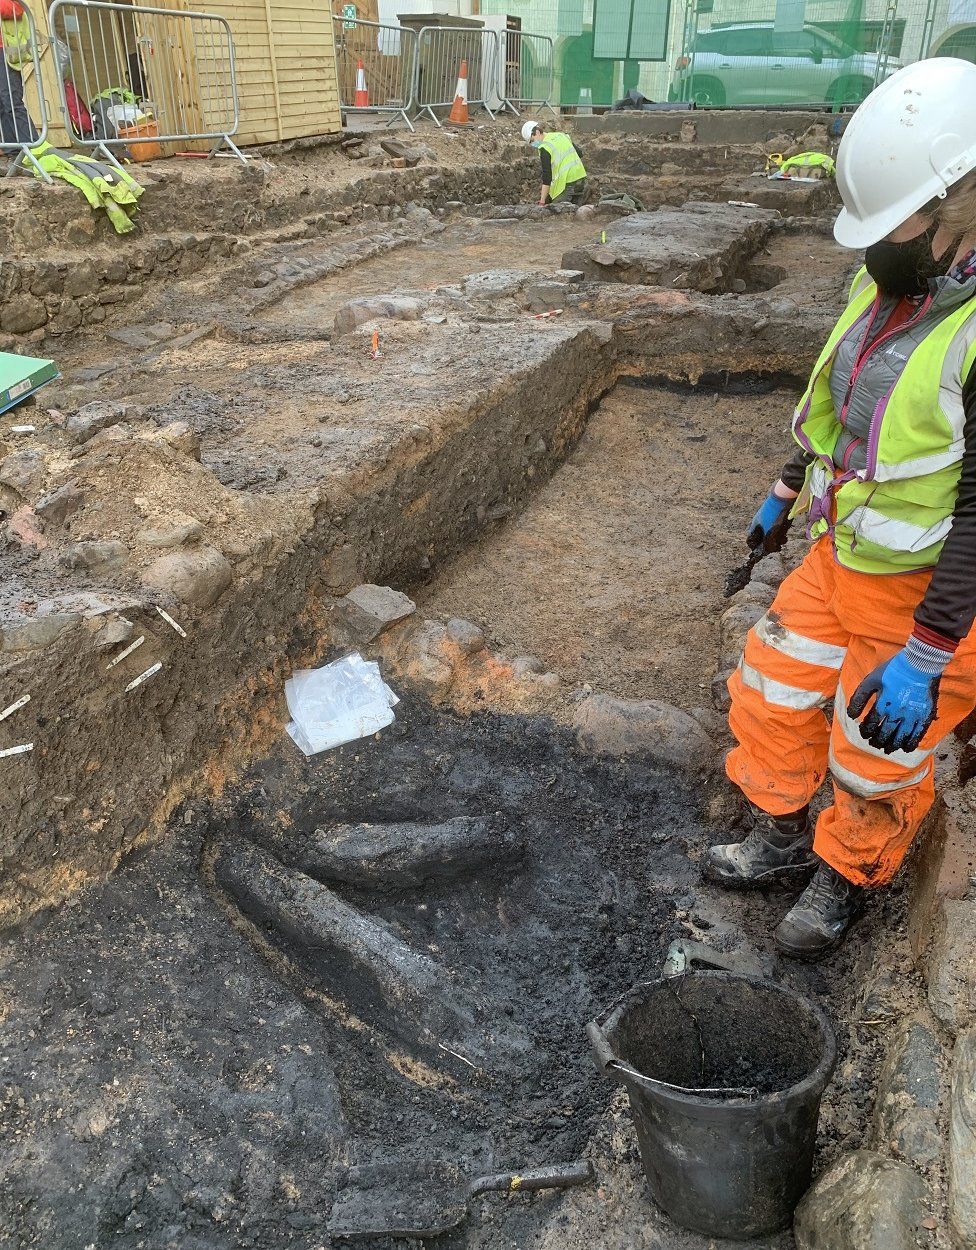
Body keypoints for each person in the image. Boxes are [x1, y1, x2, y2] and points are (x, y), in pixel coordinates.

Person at [703, 57, 976, 961]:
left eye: (892, 227)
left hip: (929, 595)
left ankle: (846, 874)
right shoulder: (887, 282)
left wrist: (927, 656)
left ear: (963, 197)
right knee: (773, 683)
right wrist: (788, 485)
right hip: (841, 551)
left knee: (876, 750)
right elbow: (847, 404)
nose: (874, 250)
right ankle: (782, 833)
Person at [521, 120, 587, 207]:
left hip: (567, 183)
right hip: (581, 179)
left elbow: (547, 177)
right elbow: (579, 153)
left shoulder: (544, 148)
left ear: (537, 132)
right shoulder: (561, 135)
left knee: (556, 211)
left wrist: (542, 201)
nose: (532, 144)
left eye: (532, 140)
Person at [0, 0, 37, 148]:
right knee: (2, 105)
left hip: (4, 51)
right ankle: (13, 152)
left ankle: (34, 148)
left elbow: (16, 9)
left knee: (11, 101)